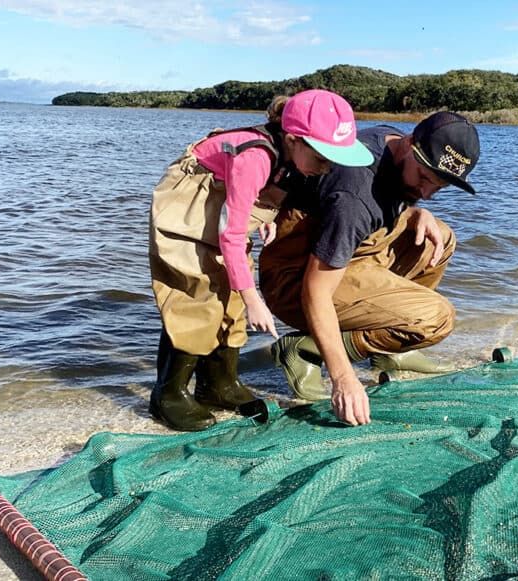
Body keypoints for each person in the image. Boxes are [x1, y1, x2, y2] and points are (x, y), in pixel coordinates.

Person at [148, 89, 374, 432]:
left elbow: (252, 196)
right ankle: (169, 394)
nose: (327, 168)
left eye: (334, 160)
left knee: (229, 297)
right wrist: (254, 298)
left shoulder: (290, 154)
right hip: (187, 200)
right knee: (195, 290)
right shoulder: (253, 157)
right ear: (293, 140)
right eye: (322, 158)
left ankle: (218, 385)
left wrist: (265, 218)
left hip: (221, 196)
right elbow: (233, 235)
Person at [259, 111, 480, 426]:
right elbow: (315, 292)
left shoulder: (388, 140)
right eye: (424, 178)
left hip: (345, 250)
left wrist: (415, 213)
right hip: (293, 280)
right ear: (409, 144)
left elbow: (388, 200)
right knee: (436, 319)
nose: (428, 193)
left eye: (439, 186)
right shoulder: (355, 194)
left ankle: (390, 346)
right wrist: (343, 378)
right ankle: (304, 350)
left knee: (440, 238)